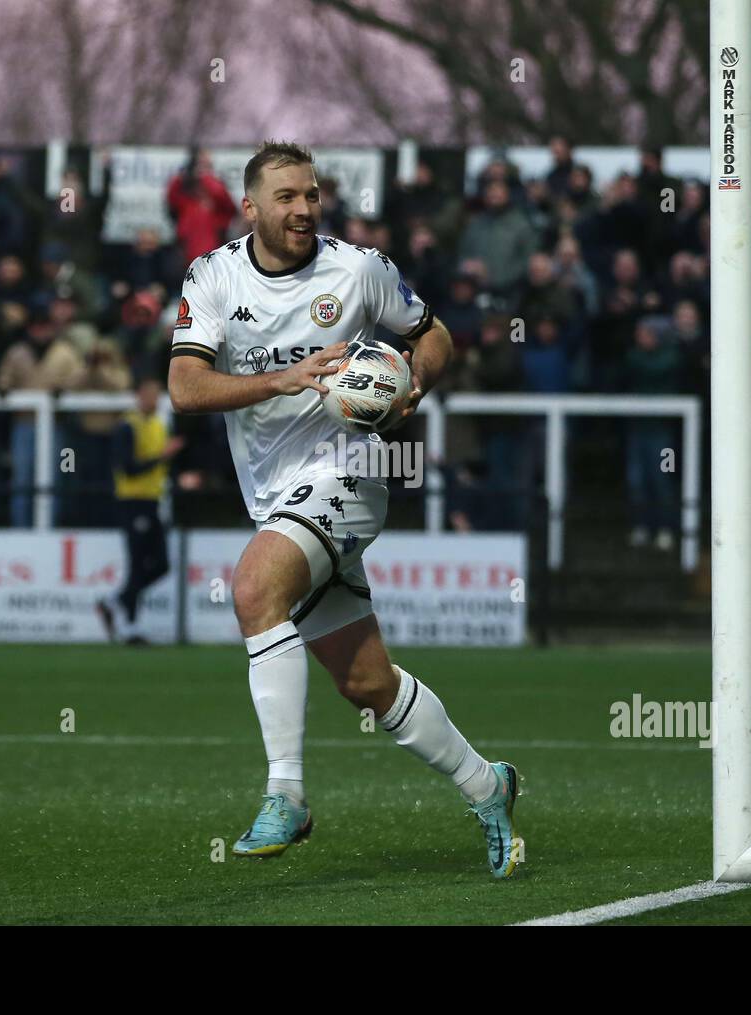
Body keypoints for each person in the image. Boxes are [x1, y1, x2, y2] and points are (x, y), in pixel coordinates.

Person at [167, 141, 522, 878]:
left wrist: (414, 382)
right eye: (288, 197)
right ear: (252, 208)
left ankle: (286, 793)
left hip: (354, 473)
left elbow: (434, 334)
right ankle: (490, 787)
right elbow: (186, 388)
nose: (303, 209)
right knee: (367, 683)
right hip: (275, 495)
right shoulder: (213, 276)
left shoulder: (357, 269)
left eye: (312, 194)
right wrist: (284, 380)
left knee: (253, 588)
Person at [97, 374, 183, 643]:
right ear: (139, 397)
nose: (154, 400)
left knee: (160, 565)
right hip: (132, 502)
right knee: (138, 564)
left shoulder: (157, 425)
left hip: (153, 501)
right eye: (149, 395)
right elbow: (128, 468)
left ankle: (115, 602)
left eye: (157, 395)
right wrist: (162, 457)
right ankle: (130, 626)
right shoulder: (127, 427)